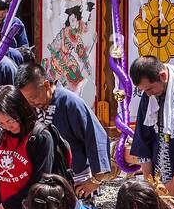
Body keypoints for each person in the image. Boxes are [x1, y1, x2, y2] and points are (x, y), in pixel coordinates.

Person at [15, 62, 110, 196]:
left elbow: (94, 136)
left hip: (76, 179)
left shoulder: (70, 102)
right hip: (43, 178)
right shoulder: (31, 106)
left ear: (47, 85)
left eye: (33, 97)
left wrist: (96, 179)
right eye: (27, 100)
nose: (31, 103)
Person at [0, 84, 56, 209]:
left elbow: (40, 182)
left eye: (11, 121)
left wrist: (4, 207)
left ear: (21, 110)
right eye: (1, 123)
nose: (8, 127)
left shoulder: (40, 137)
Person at [129, 54, 174, 198]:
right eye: (145, 91)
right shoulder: (149, 95)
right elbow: (143, 138)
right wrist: (150, 185)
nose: (148, 94)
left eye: (150, 89)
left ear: (163, 76)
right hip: (158, 175)